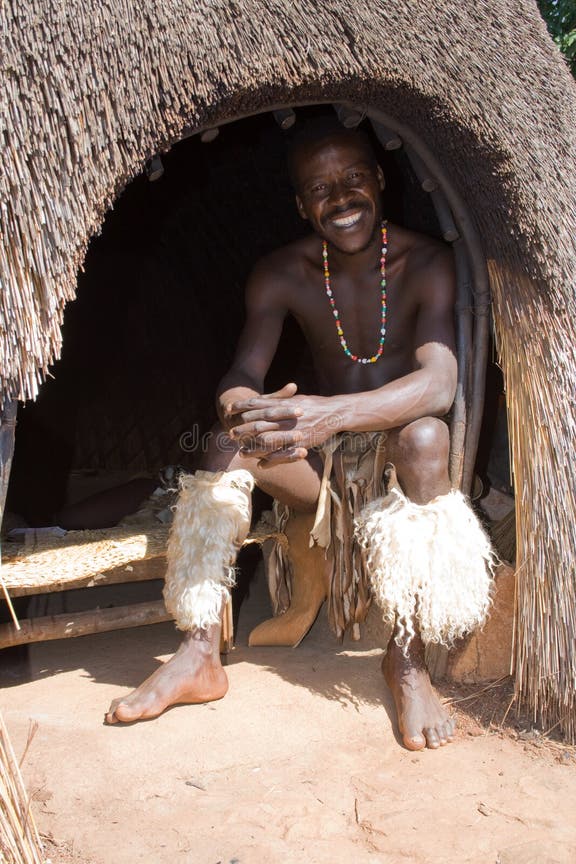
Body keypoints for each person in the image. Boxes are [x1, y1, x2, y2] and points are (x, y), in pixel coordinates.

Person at [105, 118, 493, 749]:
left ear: (380, 179)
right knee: (221, 445)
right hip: (325, 471)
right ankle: (199, 652)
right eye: (320, 188)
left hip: (399, 459)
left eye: (354, 178)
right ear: (300, 205)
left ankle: (407, 661)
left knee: (426, 437)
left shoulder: (428, 263)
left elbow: (439, 385)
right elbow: (242, 373)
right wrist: (241, 408)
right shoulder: (281, 273)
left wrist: (328, 413)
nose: (341, 198)